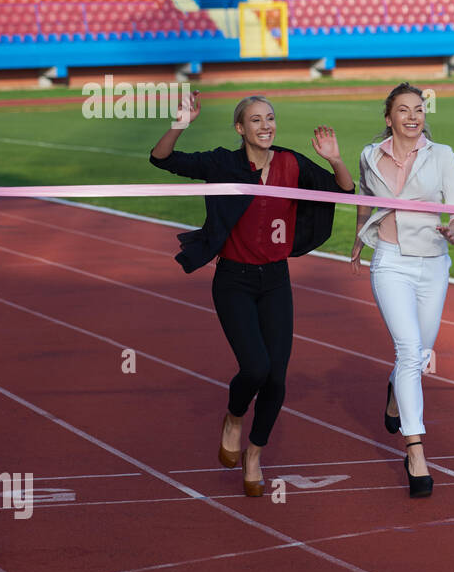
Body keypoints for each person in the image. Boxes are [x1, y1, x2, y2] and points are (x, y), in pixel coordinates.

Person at [150, 93, 354, 496]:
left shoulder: (291, 162)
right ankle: (234, 416)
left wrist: (335, 159)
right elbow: (162, 160)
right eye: (256, 120)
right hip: (234, 282)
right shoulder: (222, 163)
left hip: (276, 280)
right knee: (256, 368)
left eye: (271, 118)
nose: (266, 125)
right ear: (241, 128)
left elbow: (343, 192)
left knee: (277, 379)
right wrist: (181, 123)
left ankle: (255, 453)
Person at [350, 84, 454, 498]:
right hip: (391, 261)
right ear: (389, 117)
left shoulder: (443, 155)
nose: (413, 117)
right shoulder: (369, 154)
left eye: (418, 110)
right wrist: (359, 237)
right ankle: (416, 452)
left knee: (418, 355)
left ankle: (396, 395)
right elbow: (366, 197)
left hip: (433, 262)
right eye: (404, 110)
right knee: (407, 351)